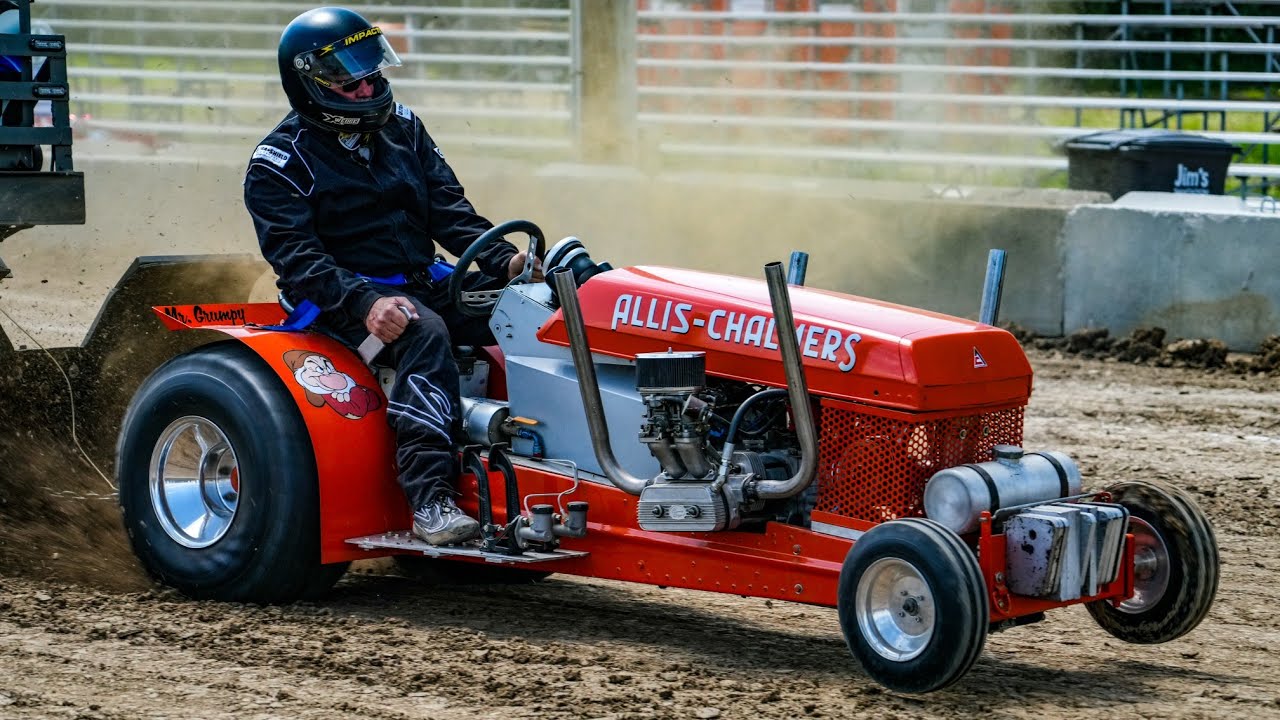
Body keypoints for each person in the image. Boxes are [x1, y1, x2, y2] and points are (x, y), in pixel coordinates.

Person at [244, 6, 539, 546]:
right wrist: (364, 305)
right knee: (421, 330)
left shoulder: (405, 126)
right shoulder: (278, 163)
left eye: (371, 68)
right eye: (348, 76)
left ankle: (553, 465)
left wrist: (508, 264)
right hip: (338, 300)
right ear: (311, 83)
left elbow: (452, 213)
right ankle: (430, 501)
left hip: (421, 277)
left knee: (534, 307)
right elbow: (298, 262)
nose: (366, 85)